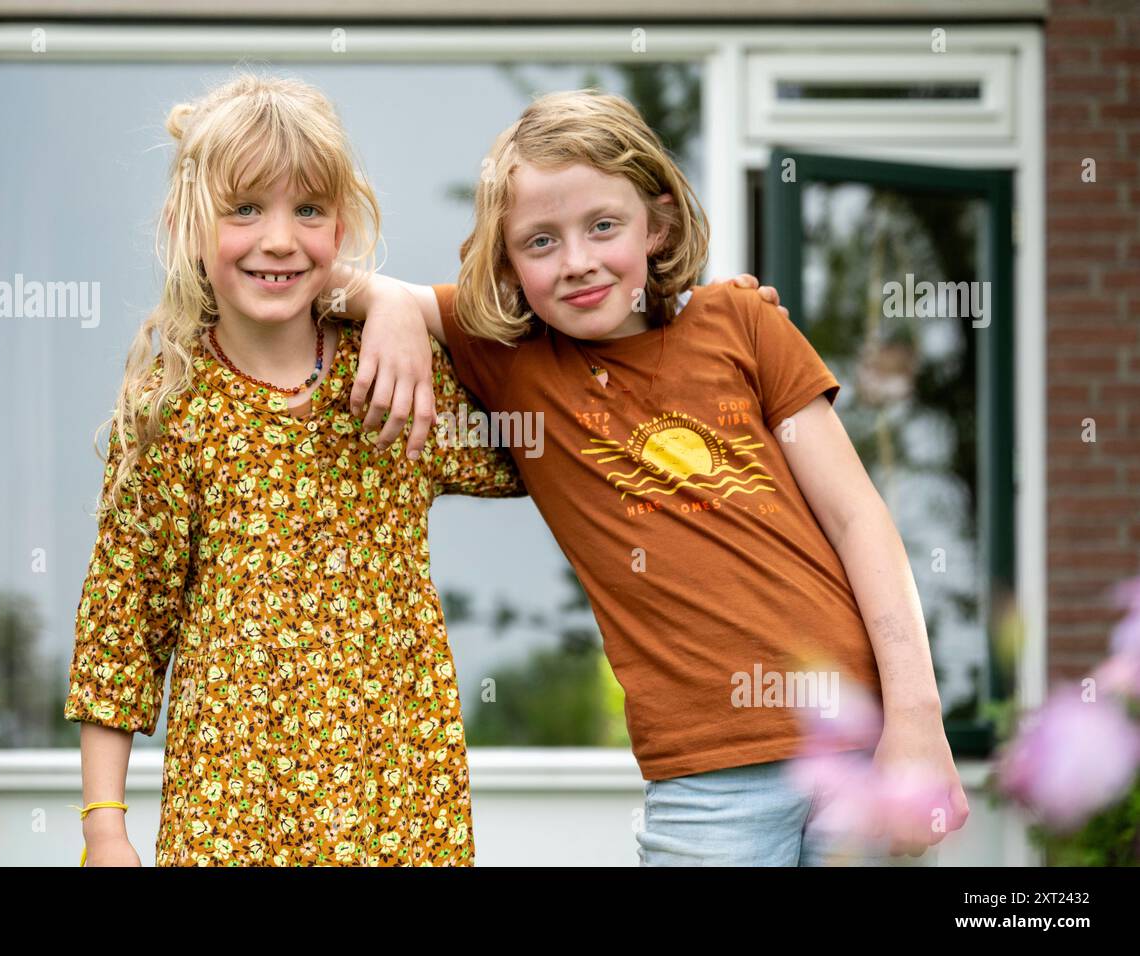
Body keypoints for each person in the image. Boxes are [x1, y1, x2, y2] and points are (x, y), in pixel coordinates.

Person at [349, 88, 970, 865]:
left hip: (858, 741)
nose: (576, 262)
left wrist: (918, 719)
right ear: (506, 264)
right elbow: (324, 282)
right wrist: (390, 302)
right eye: (539, 242)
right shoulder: (518, 363)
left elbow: (859, 520)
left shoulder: (743, 325)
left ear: (657, 224)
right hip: (706, 783)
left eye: (602, 226)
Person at [63, 72, 525, 867]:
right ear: (186, 225)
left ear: (339, 228)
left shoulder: (392, 373)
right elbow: (122, 633)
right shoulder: (172, 409)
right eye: (244, 209)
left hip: (400, 814)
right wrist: (105, 827)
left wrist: (401, 308)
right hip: (228, 823)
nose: (279, 238)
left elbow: (535, 445)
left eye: (307, 210)